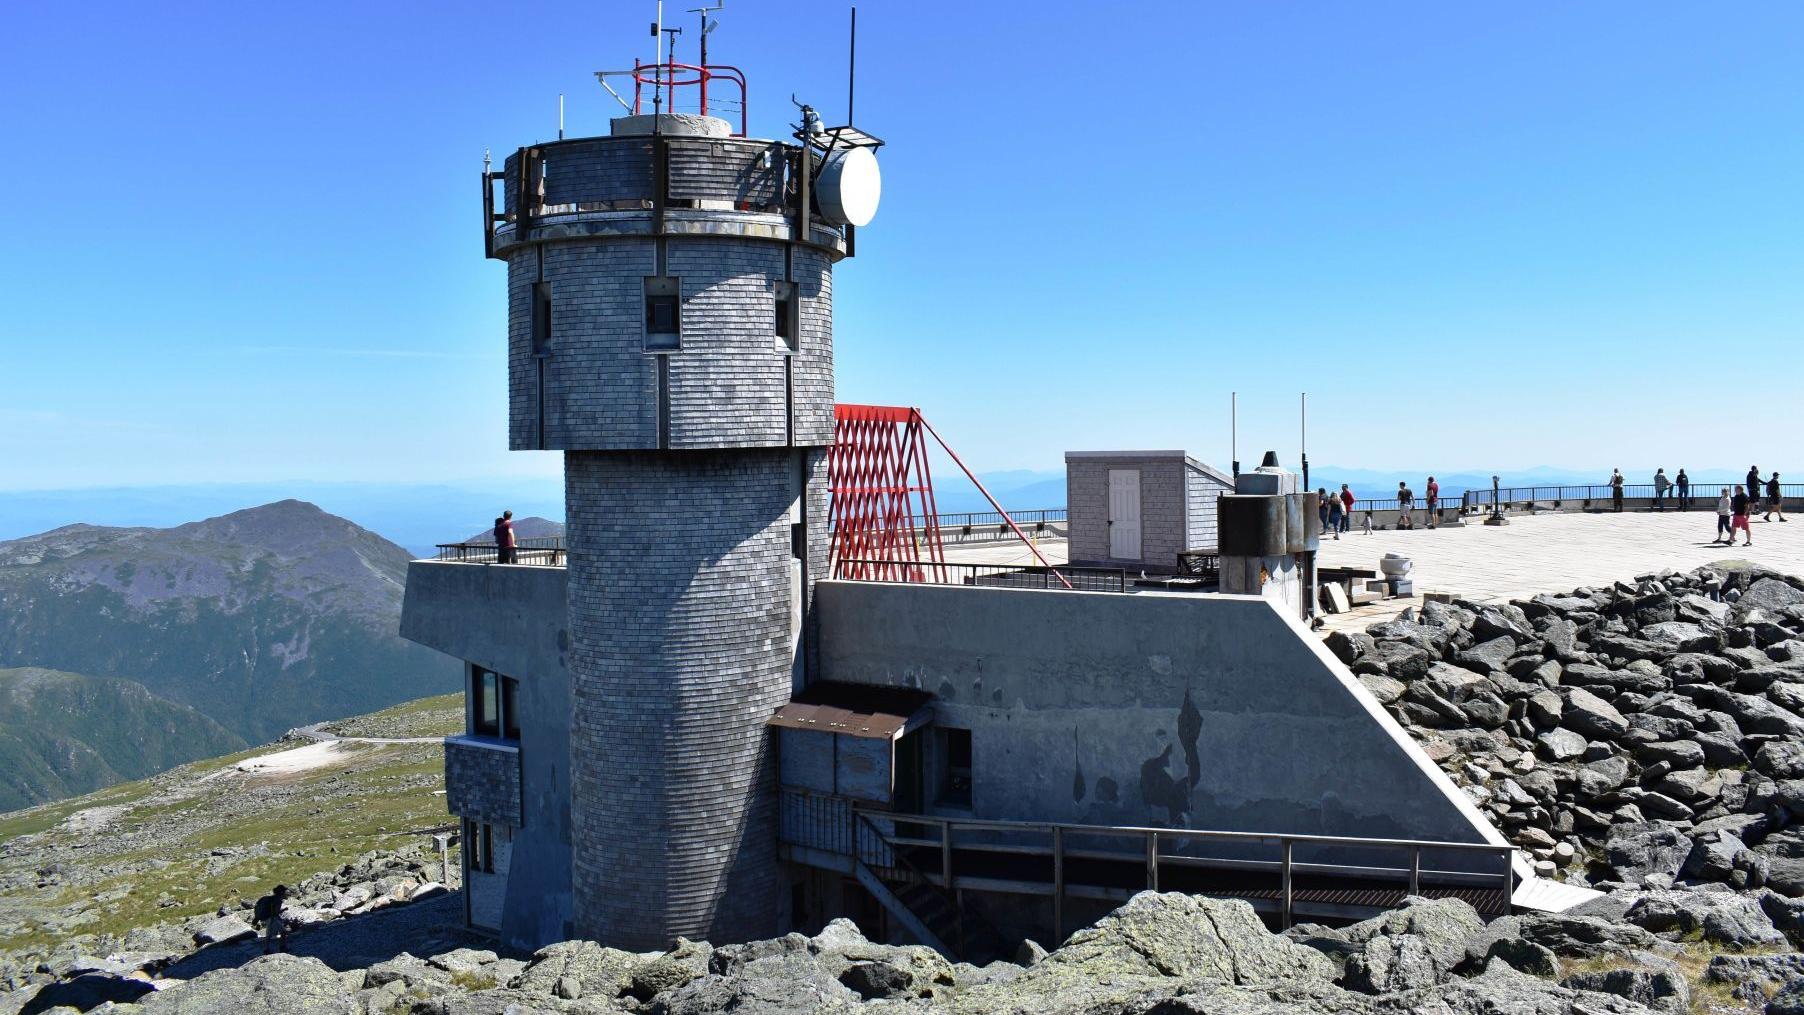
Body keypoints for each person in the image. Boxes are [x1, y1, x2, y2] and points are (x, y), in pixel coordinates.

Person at [253, 884, 290, 954]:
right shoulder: (278, 900)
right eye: (285, 891)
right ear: (281, 892)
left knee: (268, 935)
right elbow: (276, 912)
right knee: (284, 932)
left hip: (267, 919)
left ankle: (266, 949)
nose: (286, 892)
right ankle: (283, 947)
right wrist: (284, 910)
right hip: (273, 919)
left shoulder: (272, 898)